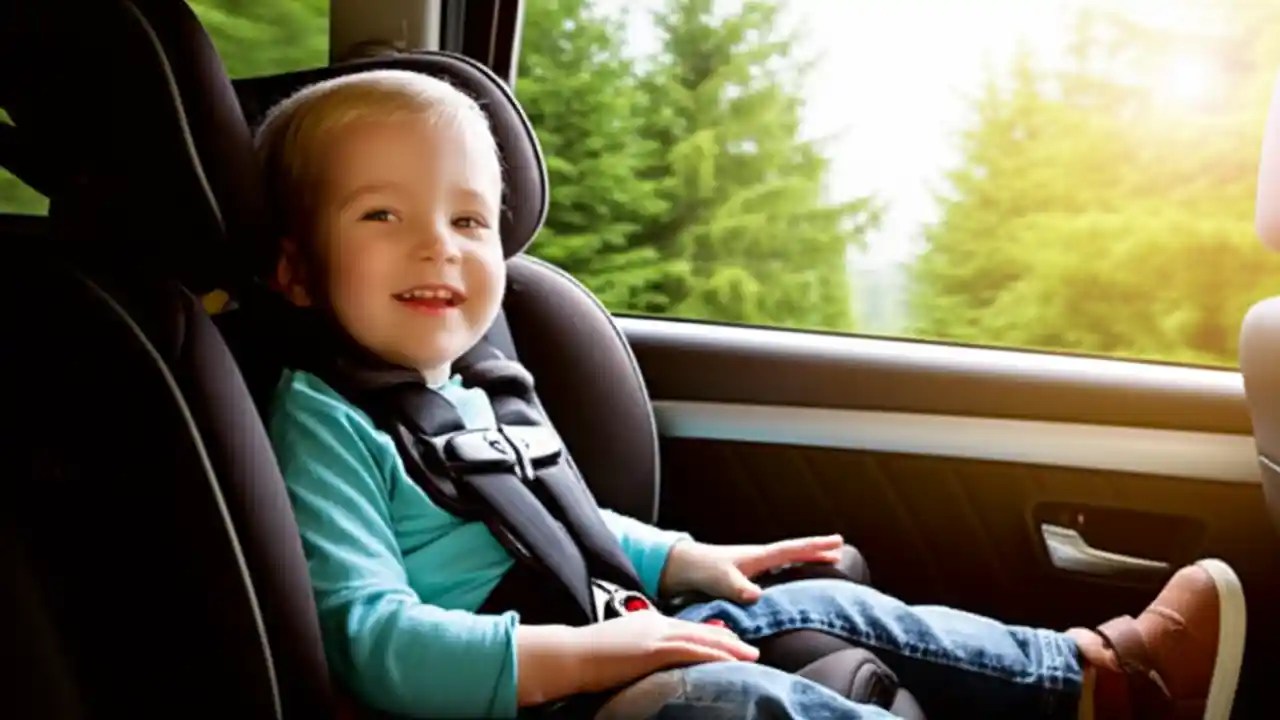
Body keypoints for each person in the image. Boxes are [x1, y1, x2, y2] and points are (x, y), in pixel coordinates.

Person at [259, 69, 1246, 720]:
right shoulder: (324, 418)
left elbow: (554, 517)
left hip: (597, 644)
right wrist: (590, 654)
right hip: (524, 697)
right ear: (297, 272)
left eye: (470, 220)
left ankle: (1101, 681)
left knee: (811, 599)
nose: (438, 244)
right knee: (733, 707)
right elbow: (371, 641)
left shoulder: (473, 385)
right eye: (382, 214)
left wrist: (695, 558)